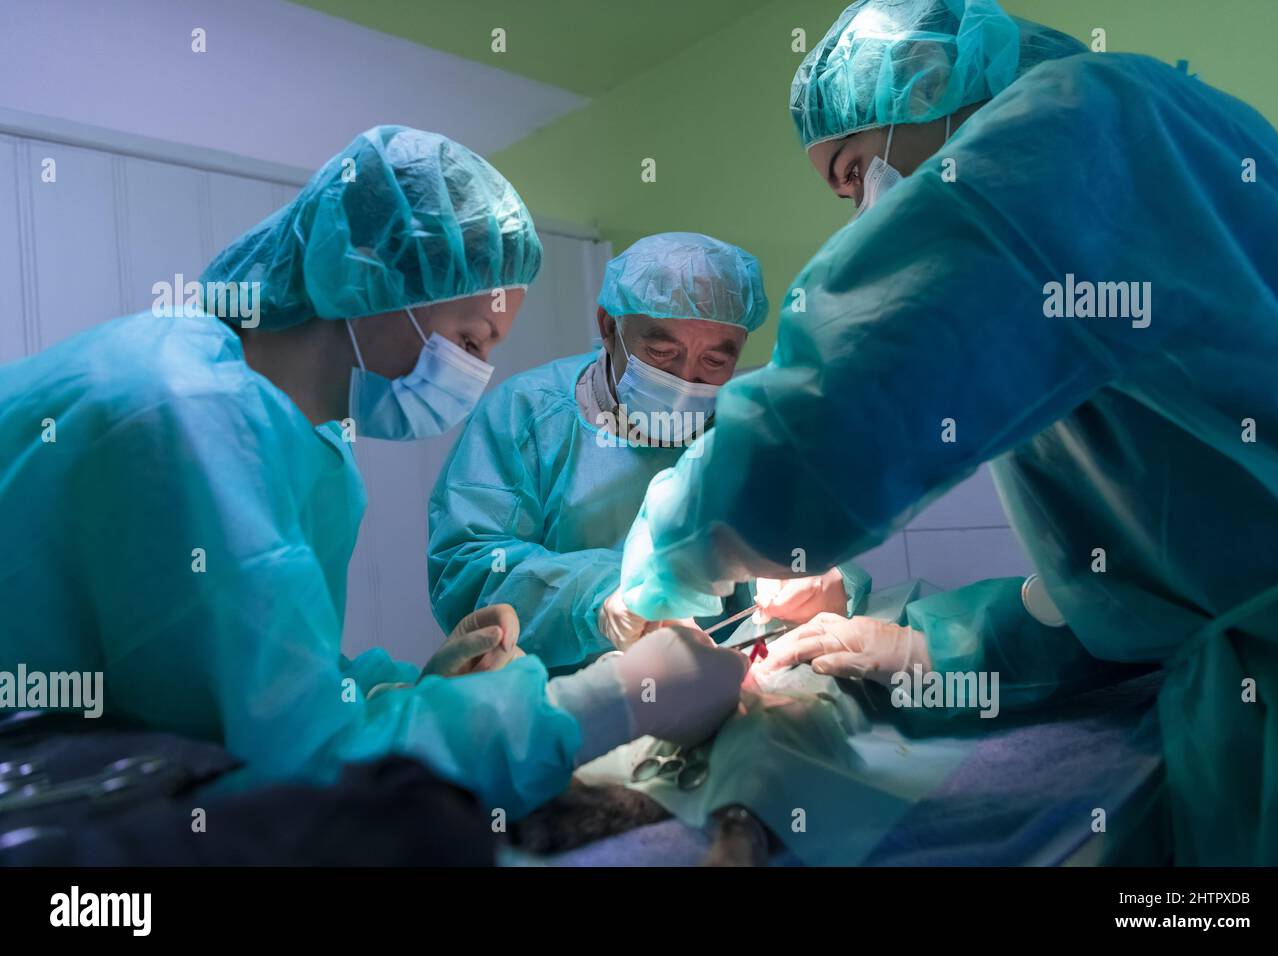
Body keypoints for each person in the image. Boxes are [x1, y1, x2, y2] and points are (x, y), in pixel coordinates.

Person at [618, 0, 1278, 863]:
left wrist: (659, 564)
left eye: (851, 171)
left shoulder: (1074, 125)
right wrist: (924, 646)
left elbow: (817, 435)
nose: (860, 211)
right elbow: (1150, 584)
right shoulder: (1144, 152)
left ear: (931, 87)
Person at [0, 126, 742, 819]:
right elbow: (310, 769)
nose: (476, 373)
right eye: (470, 339)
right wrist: (615, 699)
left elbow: (272, 685)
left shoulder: (304, 444)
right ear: (371, 279)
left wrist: (407, 685)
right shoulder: (190, 415)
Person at [428, 232, 871, 669]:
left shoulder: (743, 431)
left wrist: (823, 580)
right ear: (609, 327)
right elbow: (469, 573)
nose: (685, 381)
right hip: (548, 703)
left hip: (709, 686)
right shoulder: (525, 415)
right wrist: (602, 600)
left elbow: (808, 539)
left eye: (715, 361)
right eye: (661, 352)